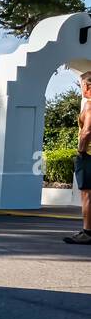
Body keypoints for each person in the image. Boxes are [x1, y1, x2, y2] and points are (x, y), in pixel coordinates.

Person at [66, 70, 91, 245]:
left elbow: (87, 131)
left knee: (87, 194)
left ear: (88, 87)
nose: (81, 88)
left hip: (88, 155)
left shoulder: (89, 106)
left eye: (81, 85)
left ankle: (87, 232)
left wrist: (80, 152)